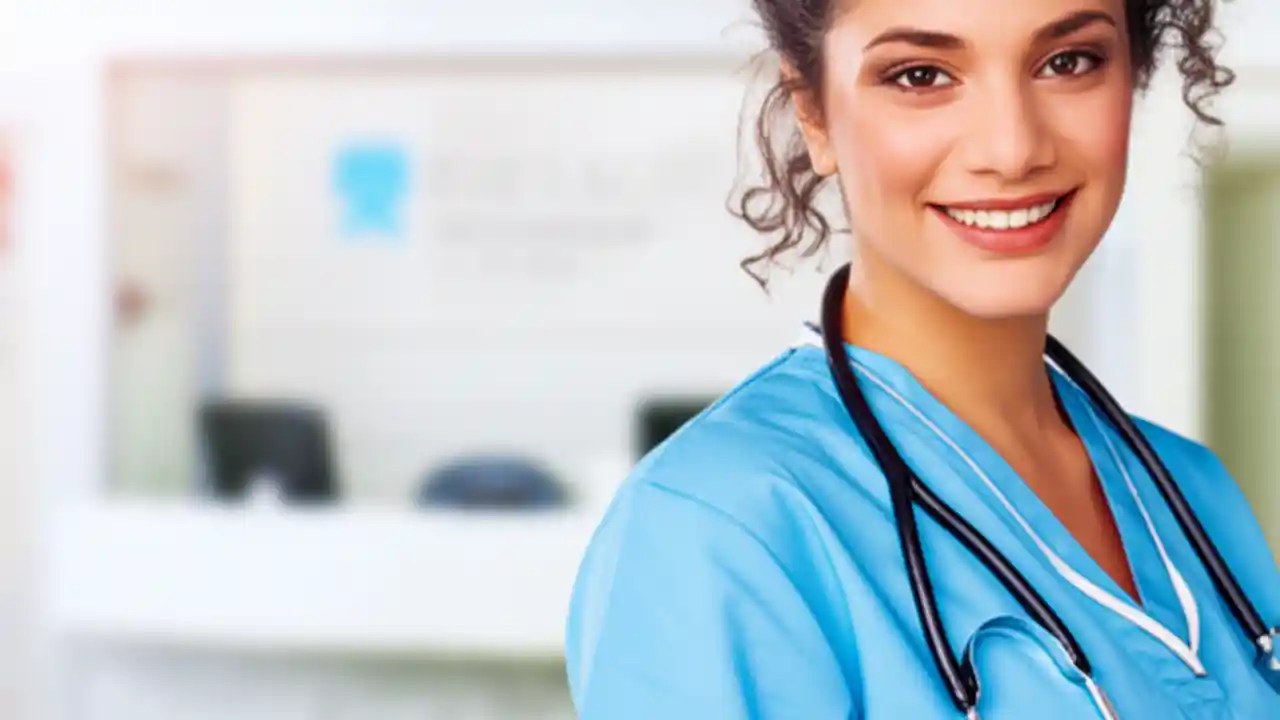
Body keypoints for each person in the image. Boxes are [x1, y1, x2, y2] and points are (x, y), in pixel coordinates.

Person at [564, 0, 1280, 718]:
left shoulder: (1194, 495)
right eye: (920, 75)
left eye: (1068, 62)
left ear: (1134, 76)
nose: (1012, 147)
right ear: (813, 113)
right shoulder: (716, 530)